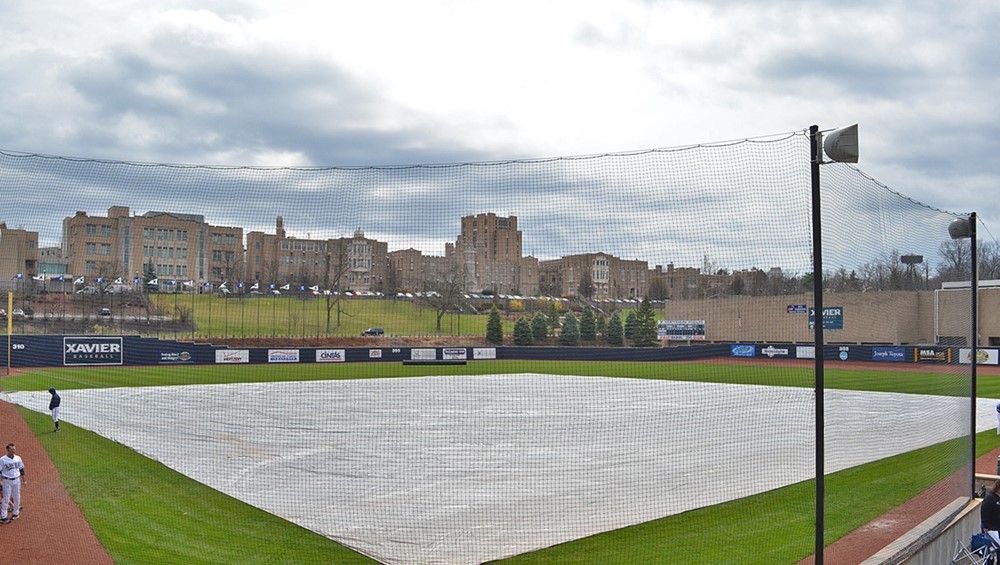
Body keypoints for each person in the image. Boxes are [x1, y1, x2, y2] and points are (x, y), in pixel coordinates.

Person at [0, 443, 24, 524]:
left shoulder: (18, 458)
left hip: (17, 480)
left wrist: (24, 479)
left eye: (14, 449)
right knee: (6, 498)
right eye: (11, 449)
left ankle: (16, 513)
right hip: (6, 480)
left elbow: (21, 468)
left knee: (17, 497)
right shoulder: (2, 459)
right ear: (7, 450)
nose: (13, 450)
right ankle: (3, 516)